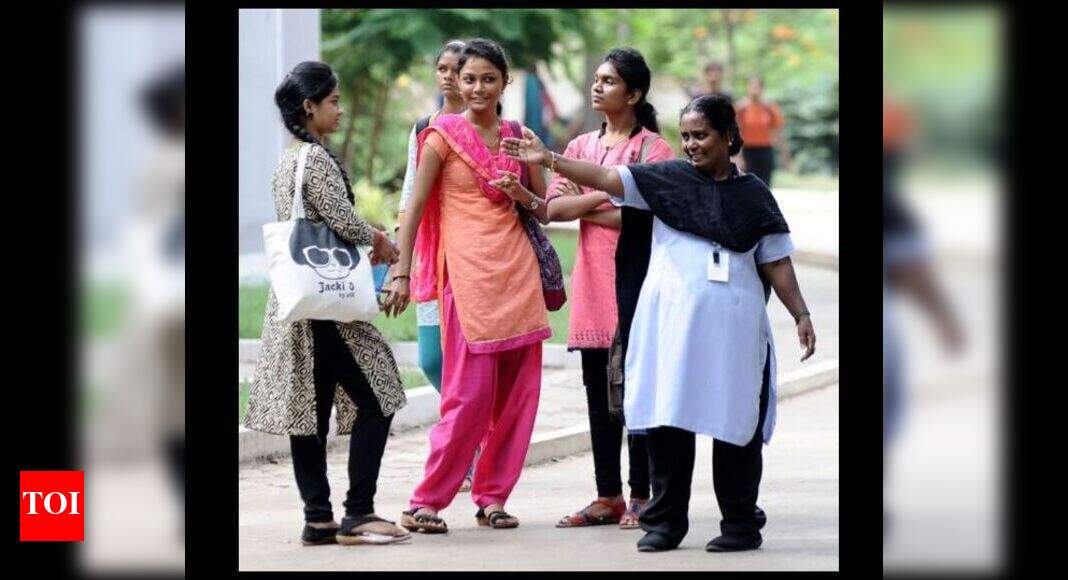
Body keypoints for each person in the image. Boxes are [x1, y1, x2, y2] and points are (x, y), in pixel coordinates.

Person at [503, 93, 817, 553]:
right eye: (685, 135)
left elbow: (776, 260)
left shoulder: (754, 194)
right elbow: (608, 177)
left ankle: (739, 525)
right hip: (671, 332)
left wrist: (801, 314)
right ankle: (666, 524)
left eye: (701, 135)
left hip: (734, 336)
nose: (691, 144)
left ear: (728, 136)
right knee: (668, 420)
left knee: (736, 425)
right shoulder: (667, 180)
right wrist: (551, 159)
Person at [382, 38, 551, 533]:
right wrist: (400, 271)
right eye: (469, 78)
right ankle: (426, 502)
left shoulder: (520, 135)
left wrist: (527, 177)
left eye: (488, 79)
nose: (477, 88)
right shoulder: (440, 136)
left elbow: (545, 209)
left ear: (505, 83)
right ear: (457, 81)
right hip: (467, 278)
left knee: (518, 400)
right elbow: (413, 211)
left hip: (517, 278)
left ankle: (493, 497)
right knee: (468, 397)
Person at [244, 61, 411, 546]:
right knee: (380, 395)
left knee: (310, 412)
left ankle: (318, 518)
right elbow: (342, 220)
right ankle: (358, 512)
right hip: (328, 308)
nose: (340, 109)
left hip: (299, 305)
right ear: (308, 106)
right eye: (333, 101)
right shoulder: (313, 161)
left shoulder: (288, 160)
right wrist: (381, 239)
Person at [546, 47, 673, 531]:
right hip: (592, 289)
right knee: (597, 393)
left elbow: (642, 216)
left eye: (609, 81)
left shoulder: (654, 151)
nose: (597, 86)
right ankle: (607, 495)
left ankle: (642, 495)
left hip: (636, 284)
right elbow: (554, 211)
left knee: (637, 391)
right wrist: (615, 188)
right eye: (596, 79)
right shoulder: (579, 147)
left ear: (634, 94)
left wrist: (589, 196)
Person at [392, 39, 479, 494]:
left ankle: (467, 451)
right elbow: (411, 193)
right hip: (430, 256)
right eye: (441, 67)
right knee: (431, 357)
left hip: (473, 257)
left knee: (470, 359)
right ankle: (470, 440)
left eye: (456, 69)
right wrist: (398, 254)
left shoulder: (484, 126)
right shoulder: (425, 127)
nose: (447, 76)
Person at [735, 76, 786, 187]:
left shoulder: (770, 107)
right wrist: (738, 157)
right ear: (747, 88)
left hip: (765, 150)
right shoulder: (741, 108)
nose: (755, 89)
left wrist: (784, 154)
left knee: (765, 186)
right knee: (749, 186)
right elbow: (736, 133)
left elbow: (777, 131)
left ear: (762, 88)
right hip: (748, 151)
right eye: (752, 86)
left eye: (757, 86)